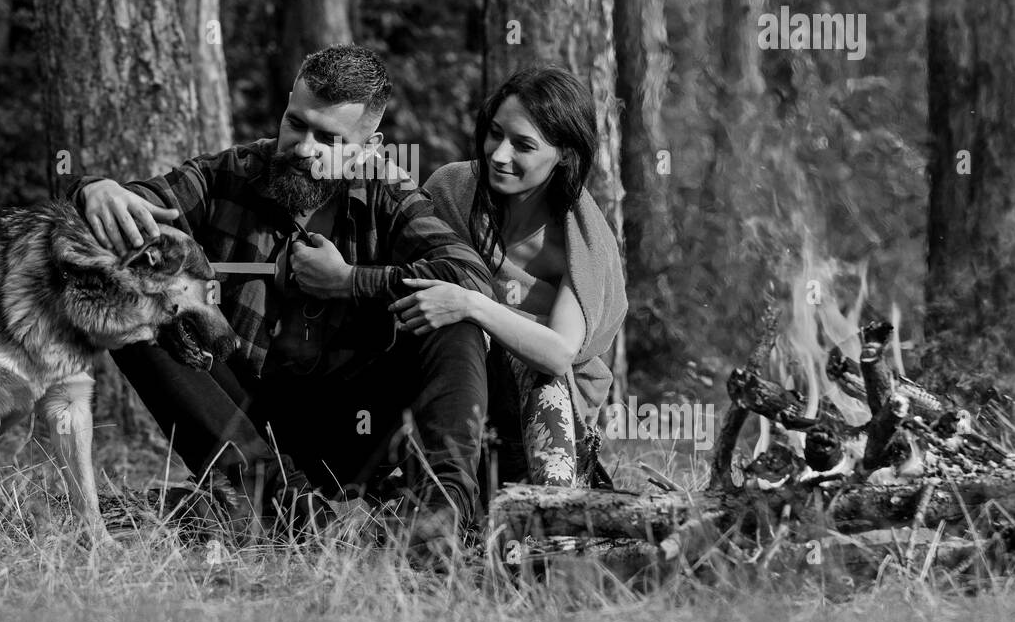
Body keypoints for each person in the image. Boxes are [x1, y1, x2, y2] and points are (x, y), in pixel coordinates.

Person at [67, 45, 496, 555]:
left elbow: (470, 278)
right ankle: (285, 513)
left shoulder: (390, 194)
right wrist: (94, 190)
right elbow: (142, 208)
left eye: (329, 139)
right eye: (296, 124)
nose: (304, 147)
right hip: (251, 429)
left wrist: (349, 280)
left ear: (368, 147)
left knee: (456, 317)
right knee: (136, 307)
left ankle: (439, 518)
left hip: (358, 432)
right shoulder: (234, 172)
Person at [390, 66, 627, 491]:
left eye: (523, 145)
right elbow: (408, 280)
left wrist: (471, 304)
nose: (499, 154)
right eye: (495, 134)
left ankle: (555, 515)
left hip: (539, 415)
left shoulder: (581, 240)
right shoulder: (450, 191)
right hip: (449, 390)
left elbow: (557, 353)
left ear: (565, 156)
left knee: (537, 364)